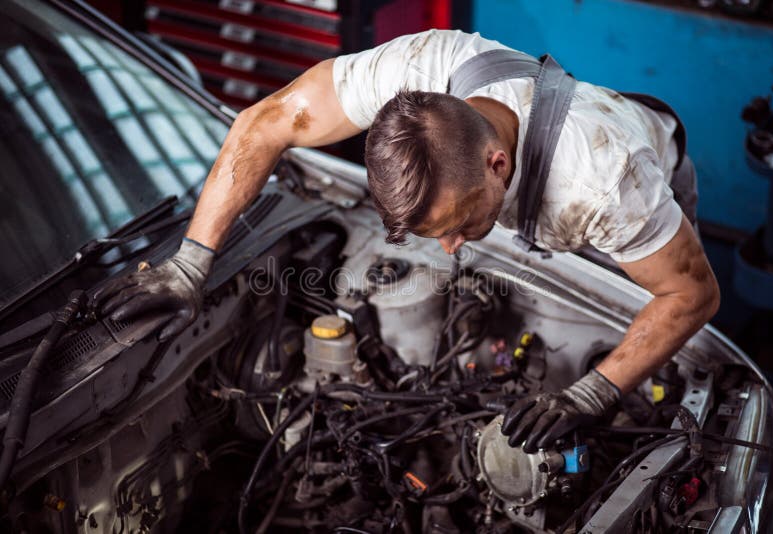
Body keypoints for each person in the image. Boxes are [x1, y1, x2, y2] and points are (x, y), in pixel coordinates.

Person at [92, 29, 720, 452]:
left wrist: (592, 392)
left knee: (632, 349)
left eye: (459, 228)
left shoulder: (605, 187)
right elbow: (266, 121)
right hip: (537, 190)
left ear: (498, 165)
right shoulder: (424, 69)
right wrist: (190, 264)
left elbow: (690, 296)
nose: (449, 250)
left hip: (633, 196)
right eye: (435, 233)